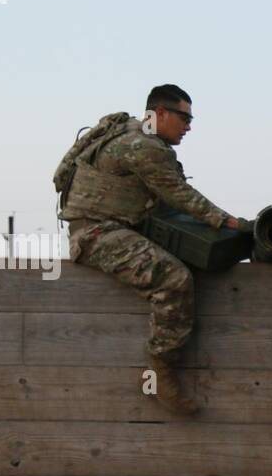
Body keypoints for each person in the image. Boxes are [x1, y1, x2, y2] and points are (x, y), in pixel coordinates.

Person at [54, 83, 253, 415]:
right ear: (160, 113)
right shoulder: (143, 146)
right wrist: (228, 222)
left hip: (115, 226)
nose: (189, 126)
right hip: (97, 233)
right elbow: (179, 195)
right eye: (184, 118)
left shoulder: (135, 134)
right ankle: (161, 370)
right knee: (174, 278)